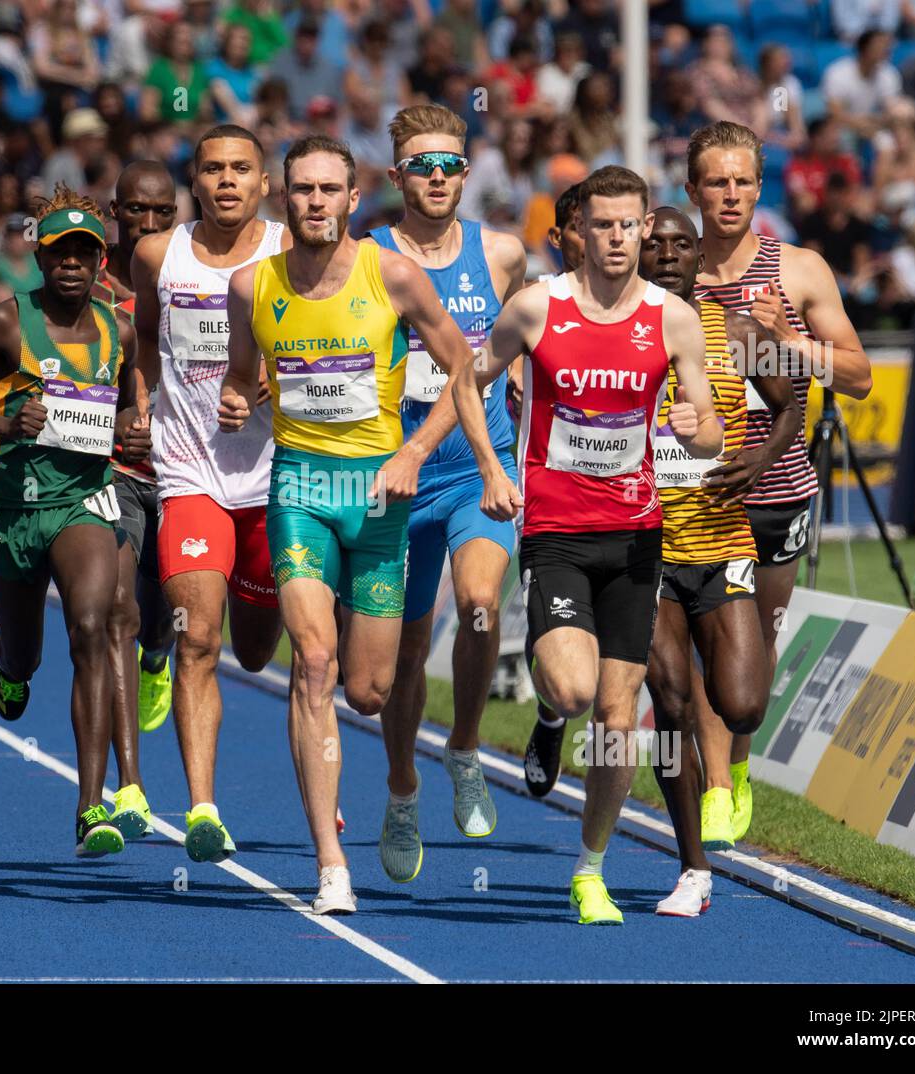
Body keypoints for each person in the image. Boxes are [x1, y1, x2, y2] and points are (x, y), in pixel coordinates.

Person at [453, 165, 723, 925]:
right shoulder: (538, 308)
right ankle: (547, 715)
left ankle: (591, 868)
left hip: (637, 538)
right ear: (579, 230)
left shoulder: (672, 318)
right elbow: (468, 381)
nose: (615, 238)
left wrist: (696, 430)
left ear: (645, 228)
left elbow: (706, 421)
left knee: (616, 717)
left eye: (627, 225)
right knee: (573, 691)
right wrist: (489, 467)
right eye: (600, 225)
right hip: (557, 534)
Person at [220, 135, 477, 913]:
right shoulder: (249, 286)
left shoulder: (392, 275)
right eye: (302, 190)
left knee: (367, 690)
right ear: (283, 197)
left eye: (330, 190)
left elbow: (463, 368)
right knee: (315, 662)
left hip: (378, 498)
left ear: (353, 198)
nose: (316, 203)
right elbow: (241, 377)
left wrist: (417, 452)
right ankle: (331, 863)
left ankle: (402, 780)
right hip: (299, 488)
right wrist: (242, 398)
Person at [0, 185, 136, 859]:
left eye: (85, 252)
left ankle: (90, 805)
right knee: (27, 653)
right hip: (13, 505)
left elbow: (128, 410)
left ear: (101, 260)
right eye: (59, 252)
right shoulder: (7, 323)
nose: (72, 264)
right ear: (39, 258)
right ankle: (8, 669)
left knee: (94, 628)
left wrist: (130, 431)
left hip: (84, 499)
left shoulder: (118, 330)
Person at [686, 120, 872, 847]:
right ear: (694, 189)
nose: (730, 194)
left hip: (782, 488)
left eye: (742, 181)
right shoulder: (669, 270)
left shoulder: (798, 270)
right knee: (714, 636)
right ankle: (716, 784)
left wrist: (788, 341)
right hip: (701, 490)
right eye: (716, 181)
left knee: (757, 636)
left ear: (759, 188)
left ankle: (741, 756)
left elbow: (855, 377)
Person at [364, 105, 526, 883]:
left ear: (468, 172)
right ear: (396, 177)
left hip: (475, 470)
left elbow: (513, 334)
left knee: (481, 605)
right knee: (401, 655)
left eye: (449, 165)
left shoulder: (501, 253)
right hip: (393, 484)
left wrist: (517, 378)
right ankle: (402, 787)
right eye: (421, 166)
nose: (436, 178)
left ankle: (464, 746)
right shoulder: (366, 259)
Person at [128, 126, 289, 863]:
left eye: (242, 170)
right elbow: (145, 342)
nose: (227, 181)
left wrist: (267, 381)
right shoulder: (160, 255)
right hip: (190, 473)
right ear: (195, 182)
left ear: (264, 184)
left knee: (256, 653)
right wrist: (139, 404)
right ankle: (201, 808)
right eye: (214, 169)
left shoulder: (292, 255)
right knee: (199, 636)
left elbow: (336, 353)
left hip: (276, 478)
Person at [638, 206, 802, 916]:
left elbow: (791, 404)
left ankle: (725, 778)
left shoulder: (735, 331)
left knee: (741, 703)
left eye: (681, 245)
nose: (668, 254)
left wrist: (761, 459)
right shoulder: (616, 332)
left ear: (699, 257)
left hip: (722, 540)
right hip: (643, 549)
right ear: (636, 254)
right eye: (655, 244)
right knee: (670, 703)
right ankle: (692, 869)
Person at [94, 160, 179, 842]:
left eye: (161, 213)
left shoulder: (194, 277)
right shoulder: (87, 289)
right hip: (114, 473)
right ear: (113, 213)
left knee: (162, 617)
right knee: (116, 615)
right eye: (134, 212)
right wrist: (111, 415)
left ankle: (160, 659)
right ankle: (131, 786)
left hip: (186, 475)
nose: (147, 224)